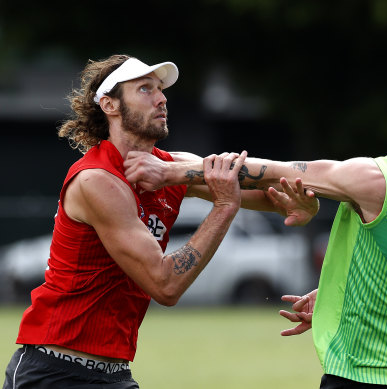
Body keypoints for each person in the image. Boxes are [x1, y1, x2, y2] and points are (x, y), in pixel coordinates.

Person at [123, 79, 387, 388]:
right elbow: (272, 170)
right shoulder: (378, 181)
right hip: (359, 375)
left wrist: (344, 290)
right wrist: (168, 171)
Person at [2, 54, 318, 389]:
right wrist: (224, 207)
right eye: (145, 89)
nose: (161, 97)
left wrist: (298, 206)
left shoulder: (172, 168)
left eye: (161, 89)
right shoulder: (98, 181)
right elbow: (164, 284)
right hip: (54, 370)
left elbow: (267, 196)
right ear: (109, 105)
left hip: (112, 373)